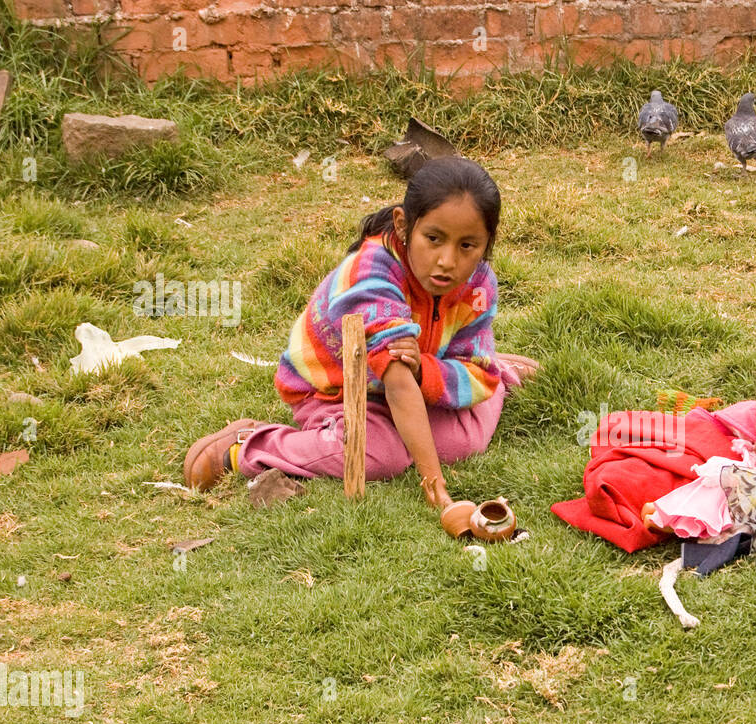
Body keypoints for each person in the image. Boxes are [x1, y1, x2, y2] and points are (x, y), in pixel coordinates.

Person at [182, 157, 537, 508]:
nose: (447, 260)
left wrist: (426, 370)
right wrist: (436, 487)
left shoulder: (478, 284)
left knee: (463, 443)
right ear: (403, 225)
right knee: (382, 456)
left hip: (416, 381)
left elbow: (450, 368)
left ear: (487, 242)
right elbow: (398, 382)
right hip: (337, 392)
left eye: (467, 246)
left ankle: (497, 372)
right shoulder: (371, 276)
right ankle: (249, 445)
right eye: (433, 238)